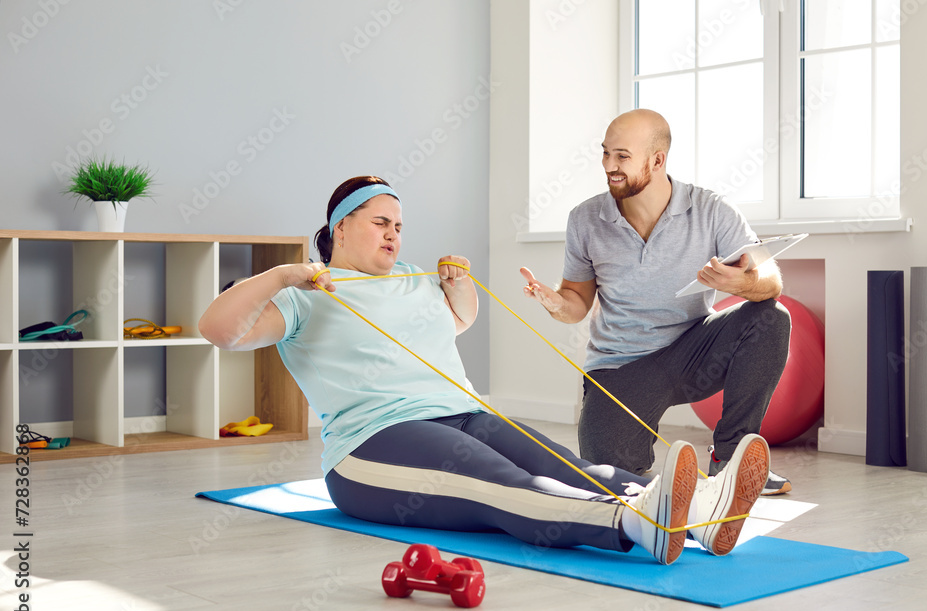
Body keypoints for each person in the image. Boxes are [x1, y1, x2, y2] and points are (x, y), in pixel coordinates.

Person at [198, 175, 771, 565]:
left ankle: (699, 511)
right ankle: (636, 525)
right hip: (373, 445)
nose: (394, 233)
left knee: (572, 466)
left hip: (465, 412)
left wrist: (455, 283)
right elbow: (219, 331)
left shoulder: (414, 275)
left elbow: (457, 322)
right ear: (340, 227)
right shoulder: (307, 294)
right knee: (505, 488)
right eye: (379, 223)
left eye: (398, 224)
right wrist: (278, 277)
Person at [521, 109, 793, 497]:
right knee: (609, 478)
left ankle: (732, 460)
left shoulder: (711, 209)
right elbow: (577, 303)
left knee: (770, 317)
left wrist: (744, 281)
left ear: (657, 160)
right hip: (622, 365)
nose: (609, 166)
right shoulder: (585, 219)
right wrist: (555, 303)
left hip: (694, 352)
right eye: (605, 154)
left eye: (621, 156)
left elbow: (771, 281)